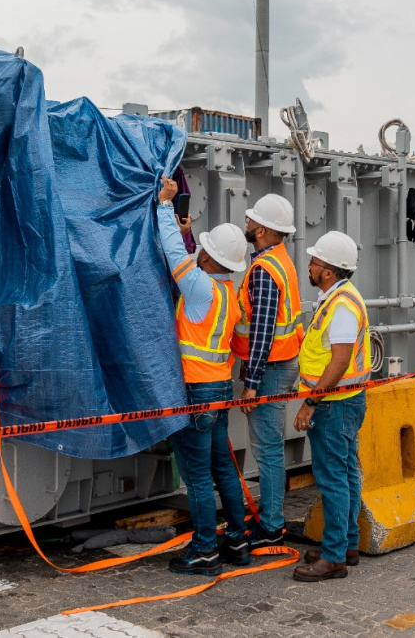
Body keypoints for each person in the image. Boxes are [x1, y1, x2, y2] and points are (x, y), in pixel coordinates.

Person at [157, 176, 252, 576]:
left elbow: (174, 253)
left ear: (211, 260)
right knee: (222, 467)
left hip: (195, 391)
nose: (199, 255)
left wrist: (165, 205)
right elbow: (188, 255)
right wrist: (187, 229)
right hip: (217, 390)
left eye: (204, 250)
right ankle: (238, 540)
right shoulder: (226, 294)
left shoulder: (198, 288)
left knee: (196, 476)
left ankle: (204, 552)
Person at [291, 231, 371, 582]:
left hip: (333, 405)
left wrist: (310, 402)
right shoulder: (340, 297)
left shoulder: (340, 306)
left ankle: (334, 556)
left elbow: (338, 362)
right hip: (345, 403)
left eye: (314, 262)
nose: (308, 266)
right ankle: (346, 545)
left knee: (333, 479)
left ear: (328, 271)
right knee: (348, 473)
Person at [232, 193, 303, 548]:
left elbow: (261, 332)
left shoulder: (264, 271)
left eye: (250, 221)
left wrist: (251, 383)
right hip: (280, 362)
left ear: (260, 229)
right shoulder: (279, 260)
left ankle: (272, 524)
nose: (246, 224)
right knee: (268, 446)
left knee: (267, 448)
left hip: (271, 368)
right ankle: (270, 515)